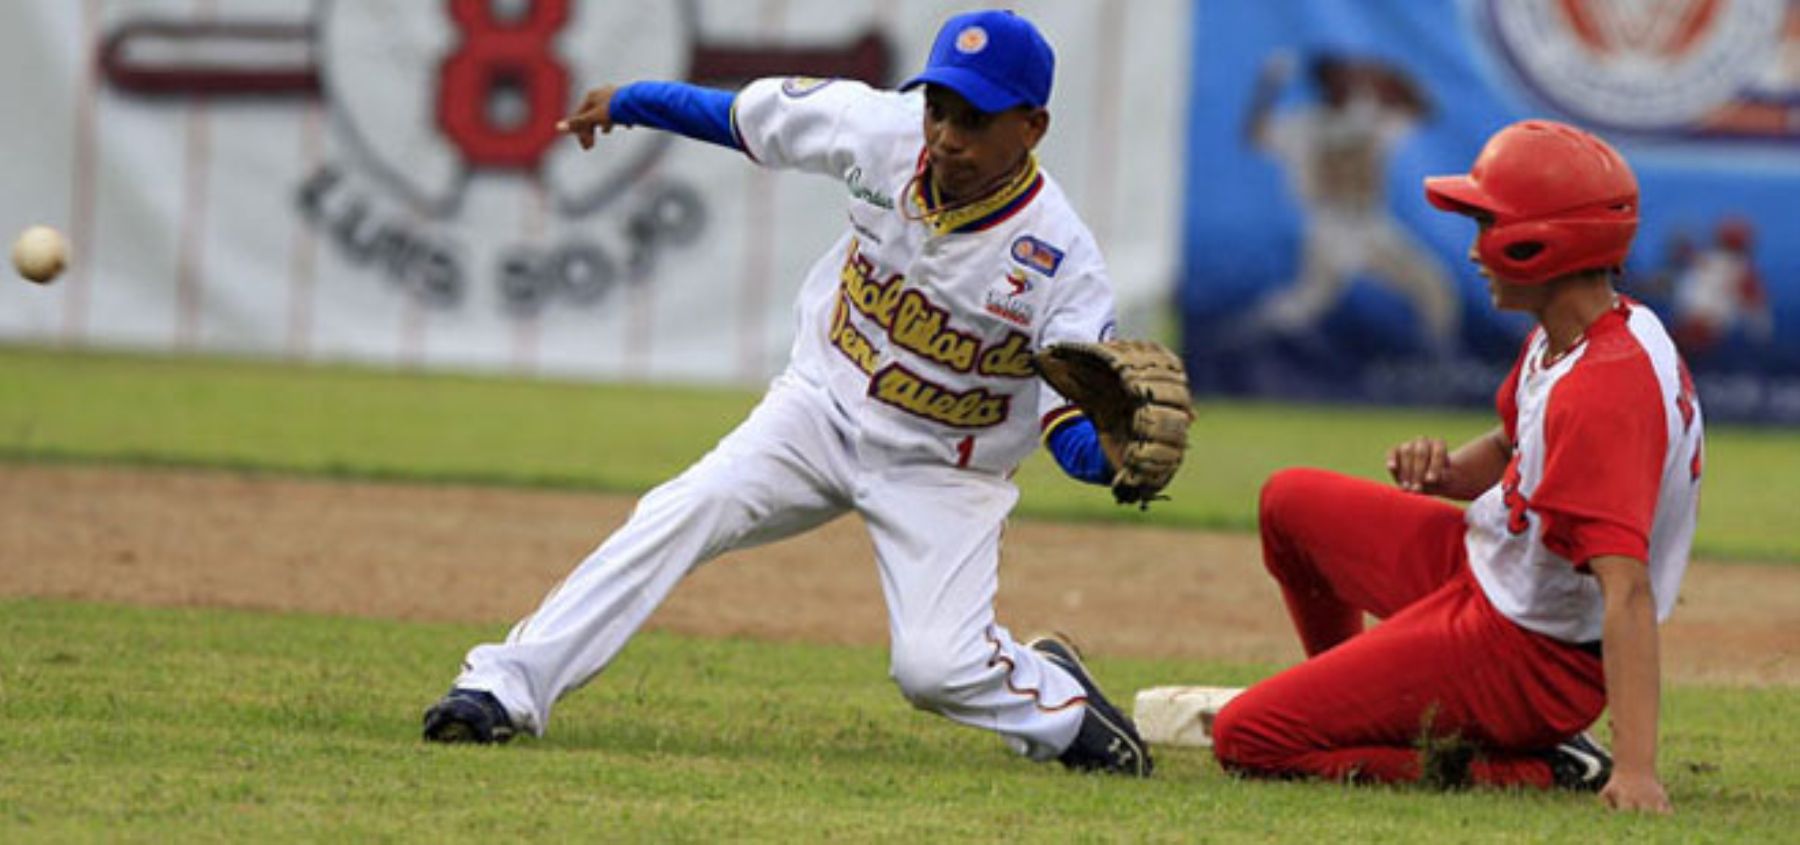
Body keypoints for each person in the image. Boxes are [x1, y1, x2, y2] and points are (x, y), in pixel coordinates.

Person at [419, 10, 1153, 777]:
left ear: (1032, 127)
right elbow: (741, 118)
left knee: (934, 669)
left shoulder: (1062, 261)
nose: (946, 135)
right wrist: (630, 100)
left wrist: (1106, 457)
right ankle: (502, 685)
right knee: (685, 507)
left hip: (944, 469)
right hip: (820, 408)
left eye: (974, 119)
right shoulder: (878, 128)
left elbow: (1067, 422)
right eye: (938, 107)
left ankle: (1062, 706)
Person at [1211, 119, 1704, 815]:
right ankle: (1350, 698)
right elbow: (1512, 445)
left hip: (1530, 654)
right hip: (1486, 570)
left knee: (1251, 737)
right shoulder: (1593, 329)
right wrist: (1445, 475)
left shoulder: (1604, 390)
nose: (1474, 250)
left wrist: (1638, 771)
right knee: (1286, 501)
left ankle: (1538, 769)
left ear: (1542, 242)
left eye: (1487, 224)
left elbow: (1625, 590)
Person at [1238, 51, 1459, 353]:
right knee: (1307, 302)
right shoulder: (1303, 124)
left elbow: (1426, 111)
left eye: (1349, 77)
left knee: (1433, 286)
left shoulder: (1368, 116)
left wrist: (1392, 74)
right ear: (1323, 83)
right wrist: (1268, 86)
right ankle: (1245, 341)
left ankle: (1438, 359)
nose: (1346, 83)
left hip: (1370, 222)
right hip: (1328, 224)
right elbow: (1253, 136)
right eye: (1338, 78)